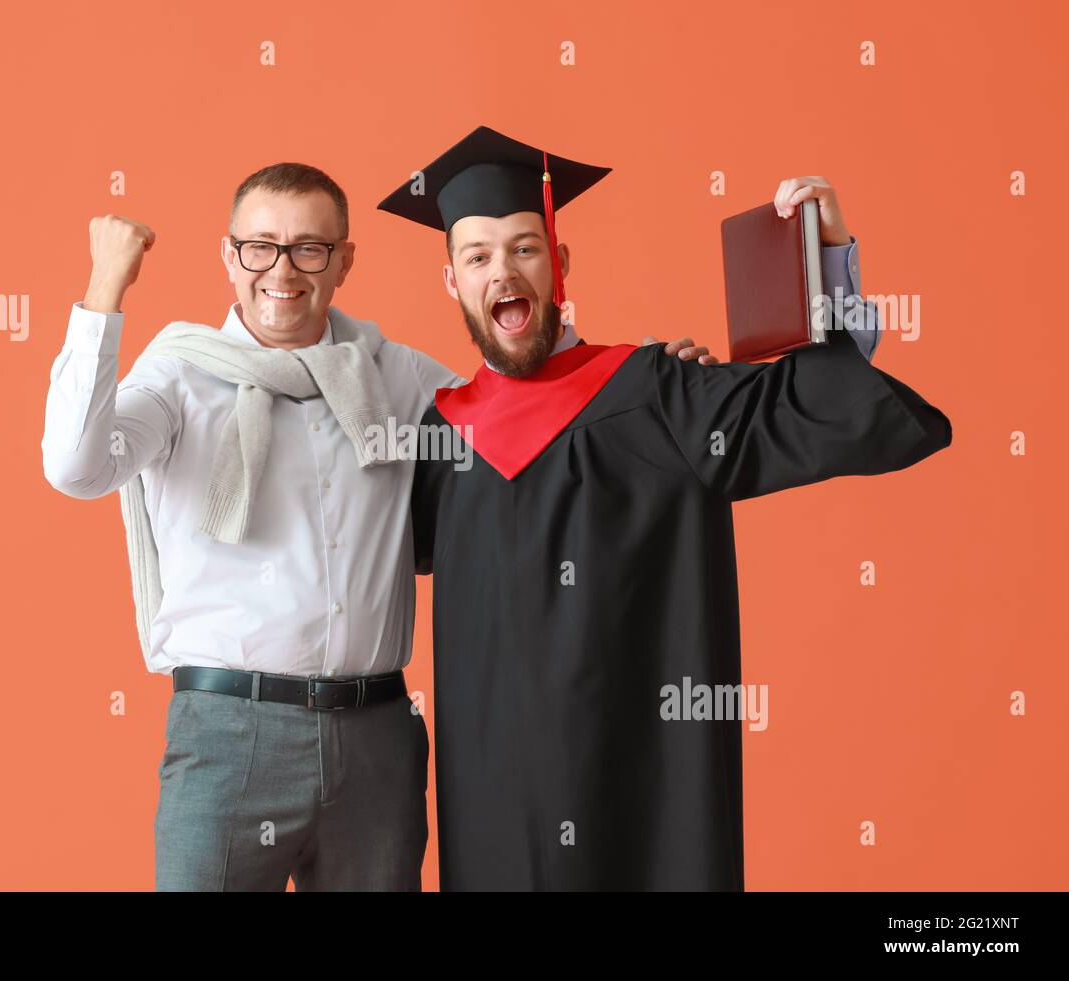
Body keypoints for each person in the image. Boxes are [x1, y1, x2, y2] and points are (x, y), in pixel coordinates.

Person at [41, 161, 719, 890]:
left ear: (343, 261)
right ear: (229, 255)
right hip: (229, 737)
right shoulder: (176, 376)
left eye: (310, 248)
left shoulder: (393, 377)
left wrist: (642, 383)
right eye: (260, 246)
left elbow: (517, 418)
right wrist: (103, 290)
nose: (282, 269)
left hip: (377, 741)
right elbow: (77, 466)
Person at [381, 125, 951, 890]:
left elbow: (806, 407)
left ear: (559, 262)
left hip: (643, 797)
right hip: (491, 804)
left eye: (525, 247)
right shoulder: (439, 436)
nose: (503, 270)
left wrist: (826, 264)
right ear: (452, 280)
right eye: (477, 255)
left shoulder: (656, 393)